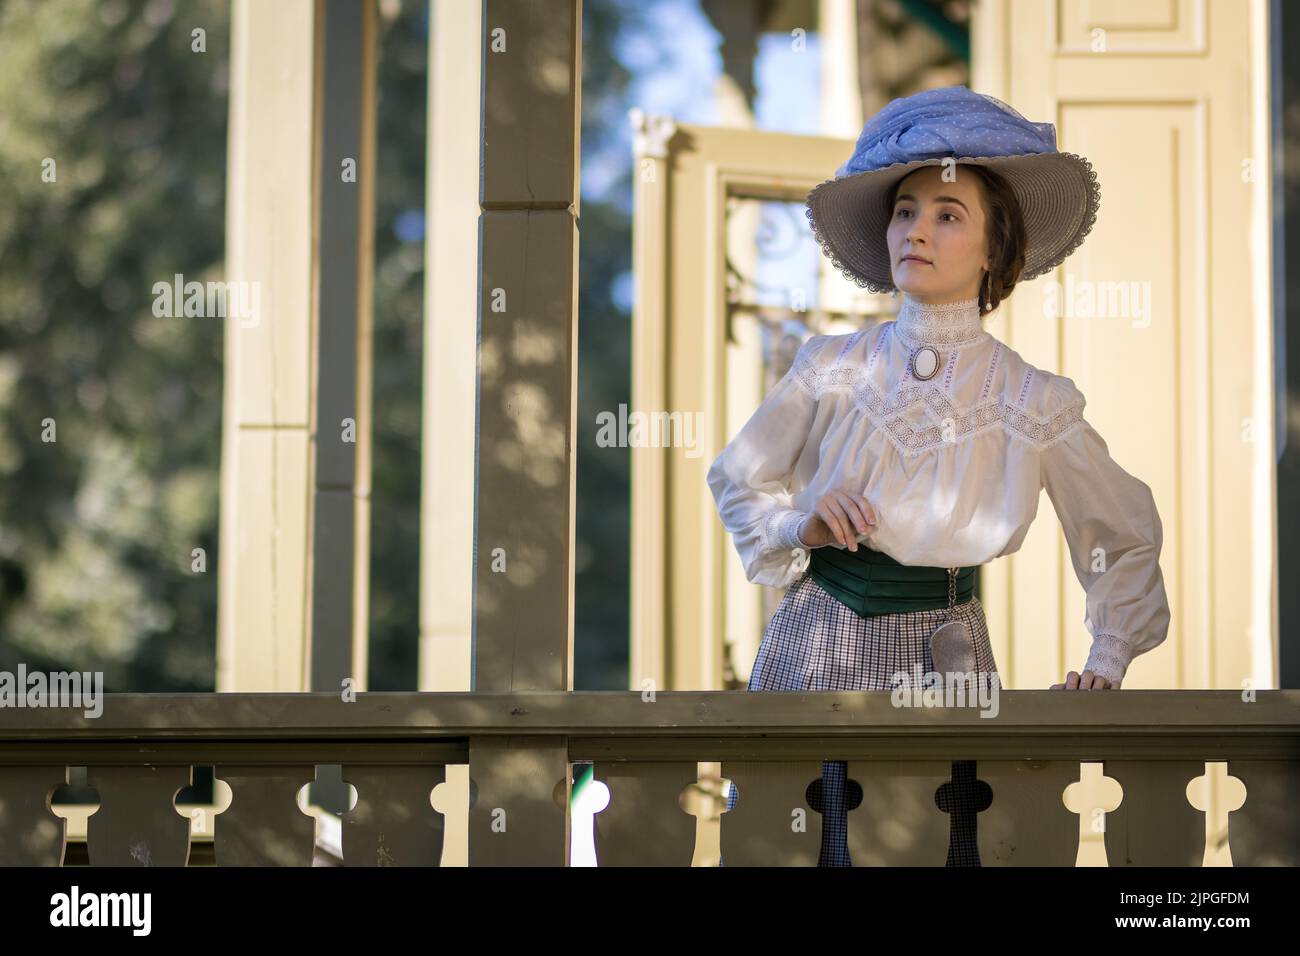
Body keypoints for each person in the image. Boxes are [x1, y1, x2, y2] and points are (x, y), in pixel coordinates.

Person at [709, 85, 1171, 866]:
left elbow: (1122, 534)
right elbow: (737, 480)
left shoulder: (1033, 402)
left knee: (936, 848)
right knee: (791, 845)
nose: (916, 229)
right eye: (904, 210)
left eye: (947, 214)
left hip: (944, 656)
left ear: (994, 247)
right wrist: (803, 524)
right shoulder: (831, 367)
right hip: (810, 642)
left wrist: (1106, 661)